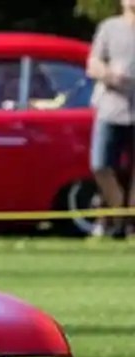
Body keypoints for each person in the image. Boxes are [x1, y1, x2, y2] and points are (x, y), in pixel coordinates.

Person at [86, 0, 135, 240]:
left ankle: (129, 225)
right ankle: (119, 215)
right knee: (100, 164)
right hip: (110, 108)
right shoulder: (109, 27)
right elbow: (93, 63)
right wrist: (109, 75)